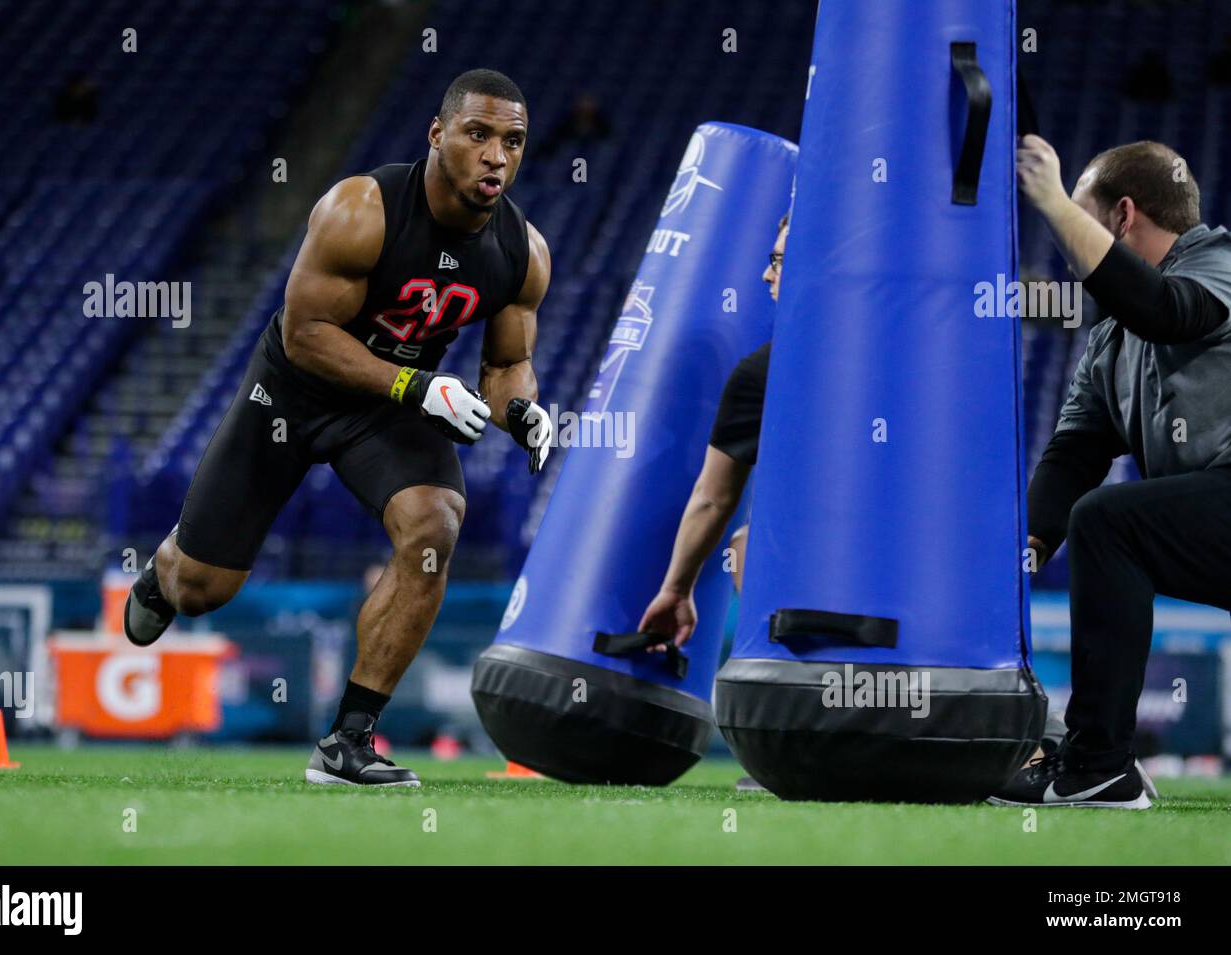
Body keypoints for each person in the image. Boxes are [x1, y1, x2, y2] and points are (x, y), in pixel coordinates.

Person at [123, 69, 554, 788]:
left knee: (435, 523)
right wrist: (416, 384)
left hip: (391, 409)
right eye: (478, 134)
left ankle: (348, 743)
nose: (496, 156)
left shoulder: (523, 251)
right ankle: (167, 572)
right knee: (204, 588)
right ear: (438, 134)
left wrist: (521, 410)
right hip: (294, 390)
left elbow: (508, 362)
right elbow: (306, 335)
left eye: (512, 141)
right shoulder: (361, 208)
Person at [990, 137, 1231, 809]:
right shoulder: (1110, 339)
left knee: (1108, 521)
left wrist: (1049, 199)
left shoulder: (1217, 262)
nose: (1065, 235)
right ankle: (1097, 760)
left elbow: (1165, 309)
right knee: (1101, 518)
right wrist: (1027, 546)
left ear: (1123, 217)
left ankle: (1098, 763)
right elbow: (1075, 451)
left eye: (1078, 216)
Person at [636, 213, 787, 791]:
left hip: (834, 597)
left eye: (778, 260)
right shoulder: (907, 354)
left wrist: (676, 589)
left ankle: (795, 729)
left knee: (751, 544)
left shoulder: (765, 371)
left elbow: (712, 497)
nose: (766, 274)